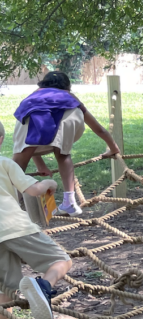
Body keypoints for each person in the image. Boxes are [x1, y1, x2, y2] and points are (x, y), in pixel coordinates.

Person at [11, 71, 121, 216]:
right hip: (69, 114)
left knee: (20, 160)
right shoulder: (69, 96)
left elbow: (31, 134)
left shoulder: (35, 95)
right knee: (63, 154)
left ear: (42, 84)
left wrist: (40, 164)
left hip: (32, 114)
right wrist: (113, 148)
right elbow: (99, 129)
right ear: (67, 87)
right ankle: (69, 202)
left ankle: (10, 202)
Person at [0, 122, 70, 319]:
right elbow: (33, 190)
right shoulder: (5, 163)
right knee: (61, 260)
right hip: (13, 226)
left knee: (5, 290)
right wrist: (50, 184)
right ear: (1, 139)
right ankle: (44, 286)